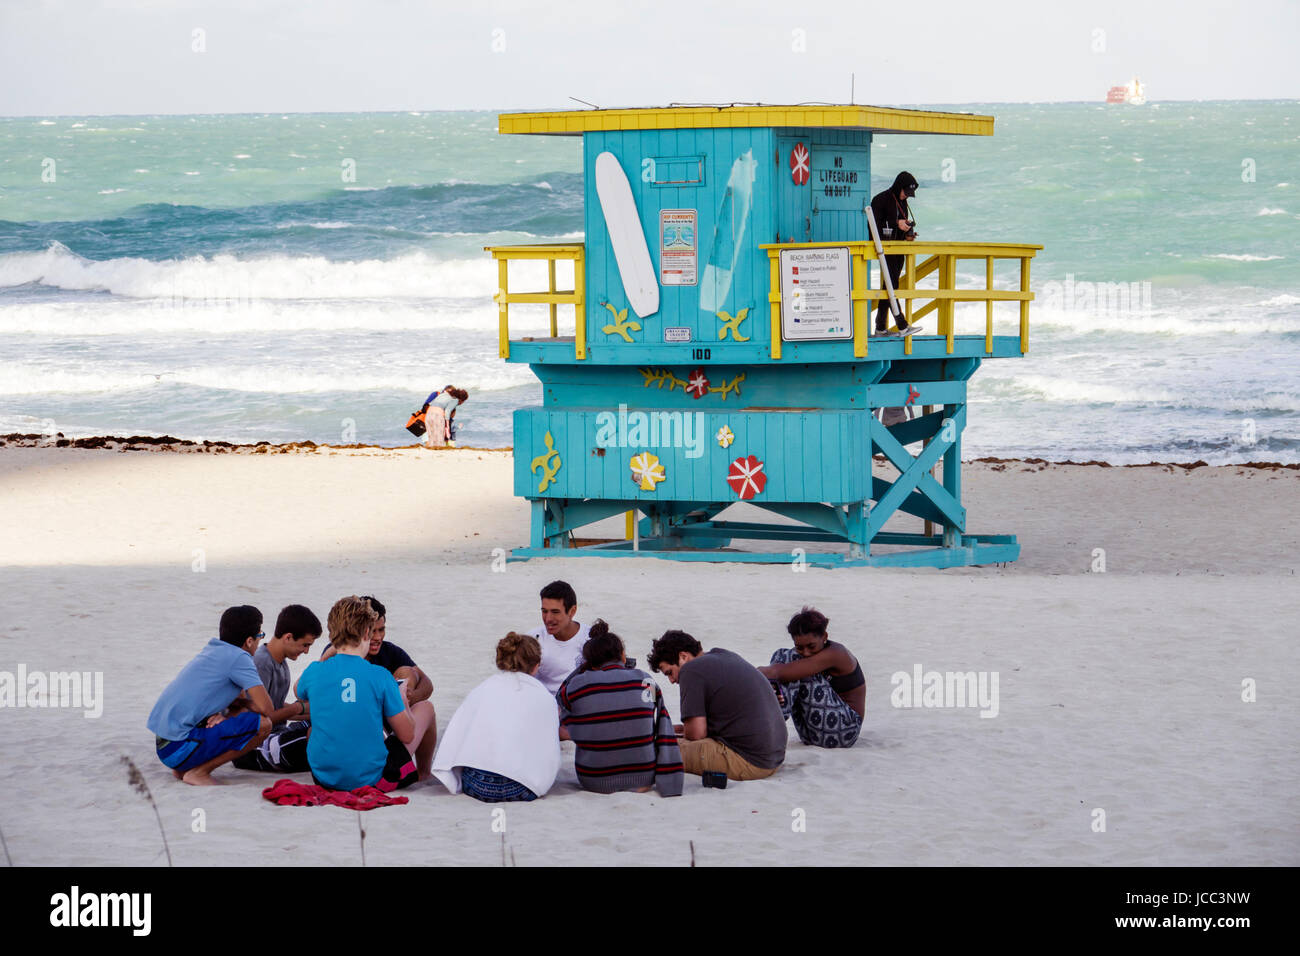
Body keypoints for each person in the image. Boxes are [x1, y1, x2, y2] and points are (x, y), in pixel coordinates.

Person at [295, 596, 429, 792]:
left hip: (323, 778)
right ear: (366, 632)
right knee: (426, 708)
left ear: (332, 636)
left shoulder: (315, 671)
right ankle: (424, 772)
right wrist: (403, 702)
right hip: (370, 779)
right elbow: (407, 735)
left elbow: (299, 691)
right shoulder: (380, 676)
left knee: (315, 730)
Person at [147, 605, 275, 786]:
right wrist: (247, 706)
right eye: (260, 636)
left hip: (164, 747)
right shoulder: (240, 658)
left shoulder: (213, 650)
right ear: (249, 641)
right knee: (263, 725)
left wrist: (234, 708)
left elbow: (229, 699)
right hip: (179, 749)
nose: (260, 641)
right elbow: (267, 709)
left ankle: (184, 768)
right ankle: (200, 772)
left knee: (237, 708)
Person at [557, 620, 683, 797]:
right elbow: (663, 726)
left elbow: (560, 705)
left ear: (589, 663)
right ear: (623, 655)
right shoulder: (646, 681)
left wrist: (582, 670)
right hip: (644, 777)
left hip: (595, 779)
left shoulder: (578, 685)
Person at [431, 633, 560, 802]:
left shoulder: (483, 688)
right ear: (536, 666)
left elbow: (459, 731)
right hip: (521, 788)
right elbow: (547, 750)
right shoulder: (544, 696)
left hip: (477, 785)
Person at [647, 630, 787, 782]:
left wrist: (675, 735)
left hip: (751, 762)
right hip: (775, 756)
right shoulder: (725, 655)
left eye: (670, 672)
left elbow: (696, 735)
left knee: (658, 749)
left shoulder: (691, 669)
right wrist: (681, 730)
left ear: (683, 657)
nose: (672, 680)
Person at [757, 607, 865, 749]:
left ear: (825, 637)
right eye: (800, 647)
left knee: (791, 661)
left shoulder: (837, 653)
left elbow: (779, 672)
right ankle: (770, 722)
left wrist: (745, 673)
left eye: (811, 646)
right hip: (810, 732)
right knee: (782, 655)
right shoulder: (805, 655)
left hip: (845, 729)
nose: (806, 652)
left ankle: (768, 727)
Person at [232, 604, 321, 774]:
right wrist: (299, 707)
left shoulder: (281, 662)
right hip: (254, 745)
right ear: (288, 637)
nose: (307, 651)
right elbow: (254, 719)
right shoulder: (262, 662)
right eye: (305, 645)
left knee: (326, 724)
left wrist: (319, 711)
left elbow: (277, 707)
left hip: (278, 734)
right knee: (315, 736)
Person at [870, 170, 920, 336]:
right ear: (899, 186)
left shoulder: (903, 203)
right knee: (891, 285)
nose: (906, 196)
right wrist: (896, 223)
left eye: (909, 194)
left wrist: (908, 233)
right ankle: (902, 325)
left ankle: (880, 327)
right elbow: (874, 225)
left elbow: (900, 223)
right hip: (884, 248)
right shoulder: (880, 200)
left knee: (891, 286)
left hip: (899, 248)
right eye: (905, 192)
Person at [528, 580, 591, 695]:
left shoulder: (591, 638)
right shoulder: (532, 640)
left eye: (555, 612)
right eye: (544, 611)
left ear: (572, 611)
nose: (548, 619)